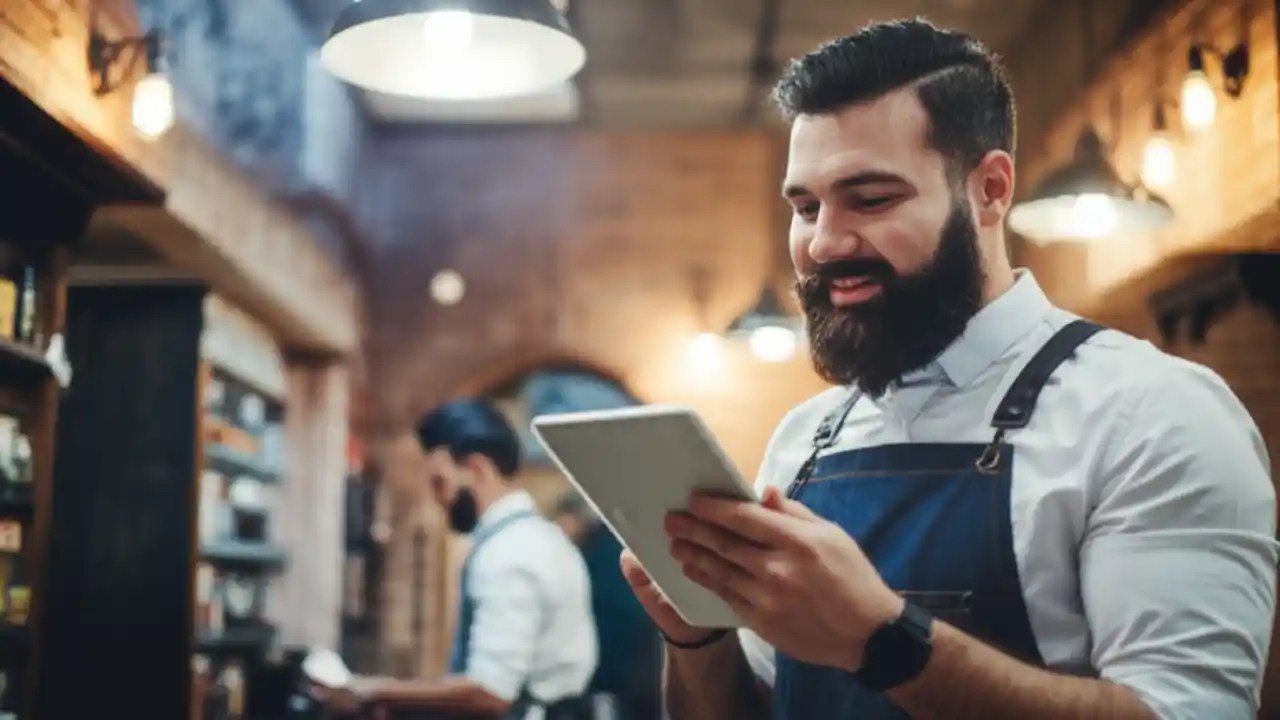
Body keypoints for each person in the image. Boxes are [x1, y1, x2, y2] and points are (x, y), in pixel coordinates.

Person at [620, 19, 1279, 720]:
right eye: (806, 207)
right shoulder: (806, 441)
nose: (824, 242)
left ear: (990, 190)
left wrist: (882, 640)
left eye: (871, 199)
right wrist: (698, 641)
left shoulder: (1151, 413)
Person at [327, 399, 598, 719]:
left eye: (439, 481)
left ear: (476, 469)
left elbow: (492, 691)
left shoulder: (509, 553)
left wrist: (366, 690)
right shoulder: (541, 537)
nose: (437, 498)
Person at [552, 492, 663, 720]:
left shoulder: (596, 554)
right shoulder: (615, 544)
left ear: (574, 517)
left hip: (618, 674)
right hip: (644, 667)